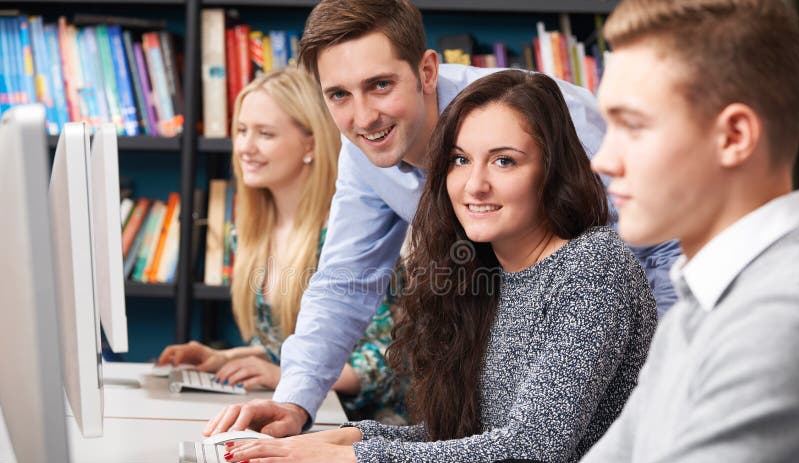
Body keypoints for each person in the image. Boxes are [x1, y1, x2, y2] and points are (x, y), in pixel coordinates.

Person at [187, 0, 799, 463]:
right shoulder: (693, 310)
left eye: (632, 127)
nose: (605, 160)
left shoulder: (758, 315)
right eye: (456, 162)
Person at [203, 0, 681, 439]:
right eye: (339, 95)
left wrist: (661, 387)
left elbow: (665, 243)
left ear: (426, 71)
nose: (363, 117)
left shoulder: (539, 115)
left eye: (381, 85)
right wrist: (293, 402)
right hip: (497, 357)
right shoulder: (363, 153)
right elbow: (344, 281)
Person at [209, 70, 657, 463]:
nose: (475, 184)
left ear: (552, 170)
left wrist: (356, 459)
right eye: (461, 160)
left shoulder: (595, 267)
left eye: (504, 161)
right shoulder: (486, 272)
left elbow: (527, 454)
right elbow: (467, 439)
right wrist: (344, 437)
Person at [157, 68, 407, 424]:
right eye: (241, 131)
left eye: (265, 134)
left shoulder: (350, 241)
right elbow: (299, 342)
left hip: (367, 432)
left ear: (310, 144)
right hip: (305, 418)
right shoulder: (246, 233)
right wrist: (226, 358)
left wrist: (291, 383)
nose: (246, 147)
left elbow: (388, 361)